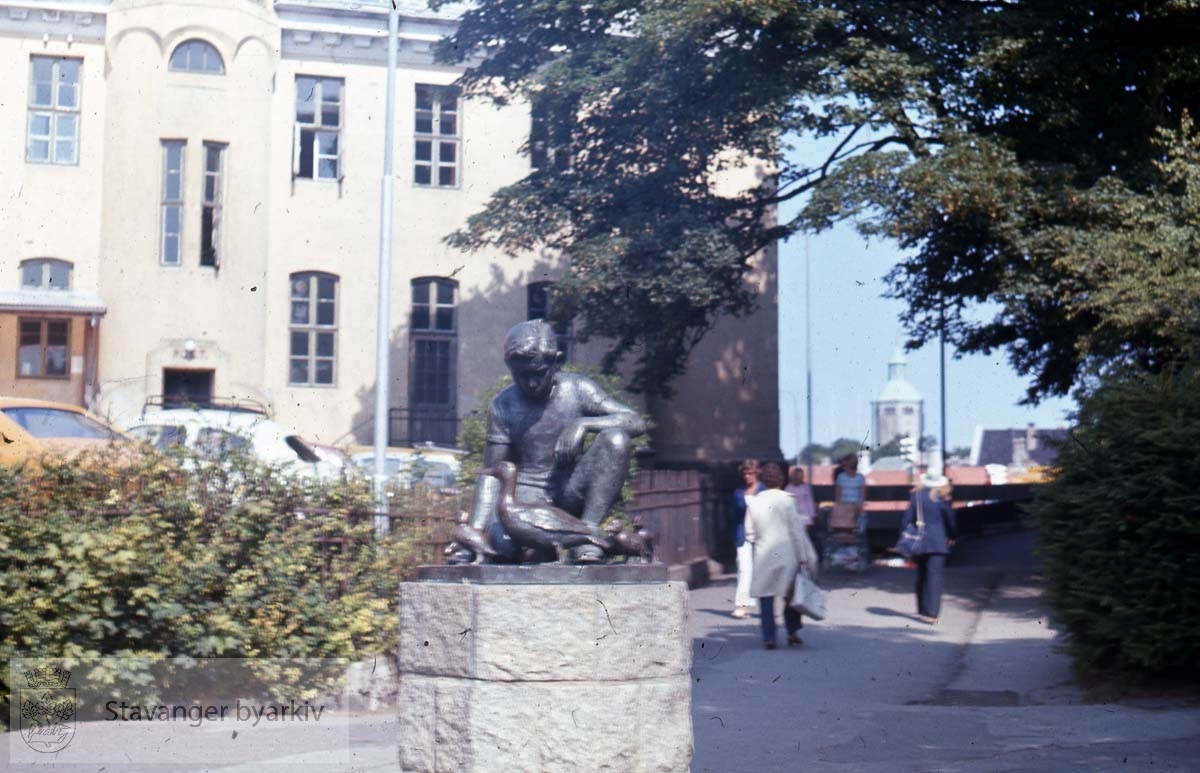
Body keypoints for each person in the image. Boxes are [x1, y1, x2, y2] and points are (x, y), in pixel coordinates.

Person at [447, 319, 646, 564]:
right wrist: (475, 530)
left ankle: (587, 535)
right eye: (522, 375)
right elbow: (491, 474)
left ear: (556, 362)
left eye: (539, 374)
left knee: (616, 438)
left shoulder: (578, 389)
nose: (531, 384)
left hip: (571, 489)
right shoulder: (503, 405)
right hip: (525, 499)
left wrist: (583, 423)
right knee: (502, 549)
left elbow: (634, 421)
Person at [745, 462, 819, 649]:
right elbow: (796, 531)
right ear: (781, 479)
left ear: (763, 479)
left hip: (764, 554)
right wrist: (803, 556)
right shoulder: (788, 500)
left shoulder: (754, 502)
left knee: (766, 596)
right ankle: (792, 631)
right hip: (788, 553)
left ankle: (769, 637)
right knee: (792, 594)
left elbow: (749, 533)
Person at [900, 470, 957, 624]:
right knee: (935, 576)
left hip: (919, 541)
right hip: (938, 542)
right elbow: (950, 520)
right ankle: (933, 613)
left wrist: (905, 536)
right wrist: (952, 535)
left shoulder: (916, 496)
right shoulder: (942, 498)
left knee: (922, 574)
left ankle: (923, 609)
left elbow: (906, 520)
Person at [729, 459, 764, 618]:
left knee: (762, 571)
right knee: (744, 569)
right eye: (745, 473)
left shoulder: (764, 491)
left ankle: (765, 606)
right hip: (743, 534)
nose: (747, 476)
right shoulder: (738, 492)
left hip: (762, 535)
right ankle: (742, 604)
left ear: (757, 473)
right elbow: (734, 516)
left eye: (750, 473)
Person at [785, 465, 819, 556]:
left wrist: (812, 515)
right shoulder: (788, 488)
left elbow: (810, 501)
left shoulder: (805, 487)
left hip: (805, 515)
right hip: (793, 514)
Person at [832, 452, 868, 533]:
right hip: (844, 509)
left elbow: (862, 496)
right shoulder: (840, 477)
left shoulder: (860, 478)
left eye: (845, 465)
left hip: (857, 509)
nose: (843, 467)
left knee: (862, 520)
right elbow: (838, 497)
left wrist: (858, 509)